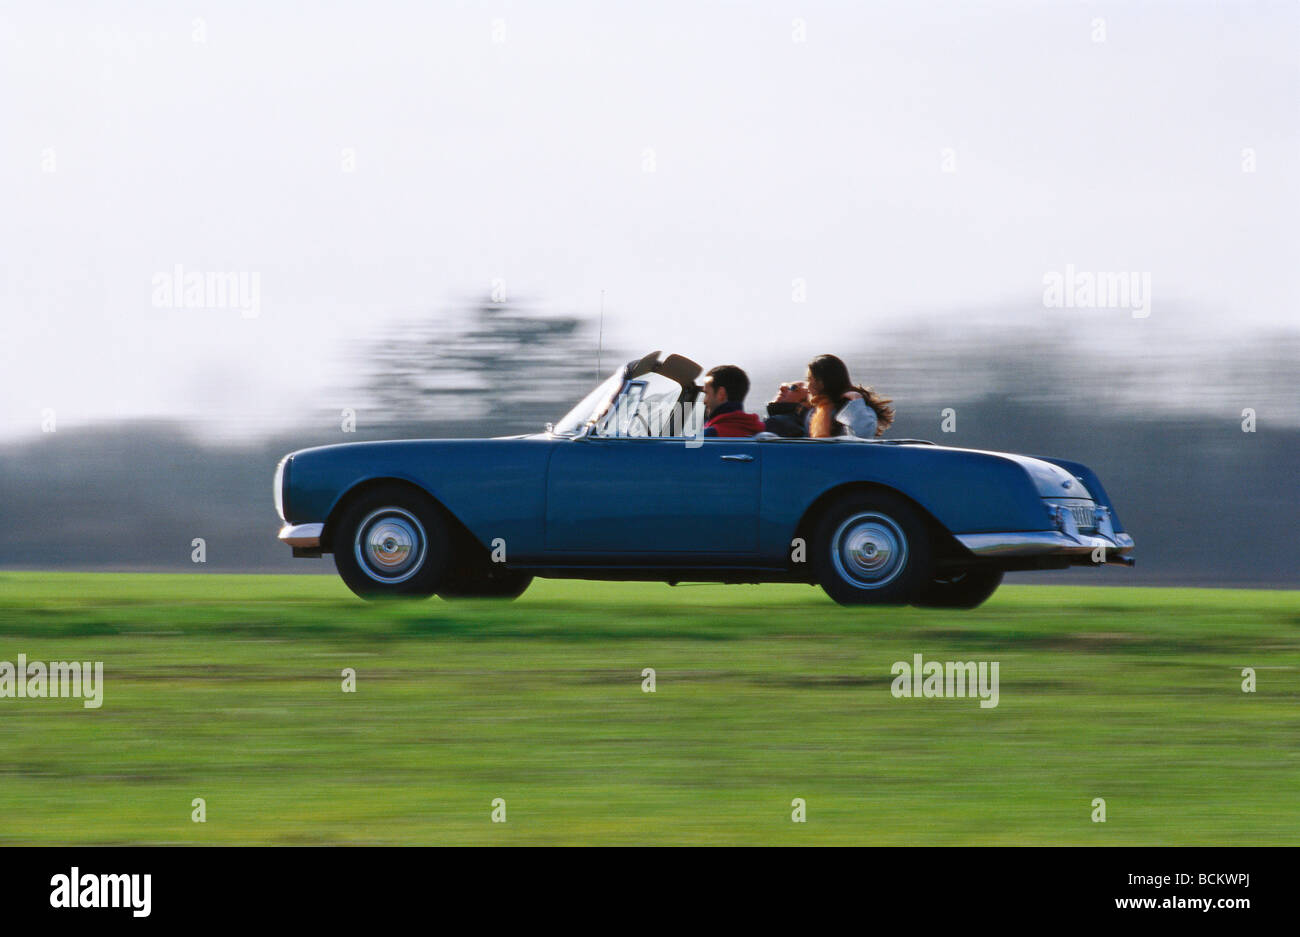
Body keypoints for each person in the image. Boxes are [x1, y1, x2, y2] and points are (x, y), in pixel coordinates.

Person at [772, 355, 894, 438]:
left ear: (823, 382)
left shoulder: (850, 407)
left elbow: (863, 433)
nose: (807, 386)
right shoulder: (815, 411)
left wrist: (856, 402)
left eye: (810, 380)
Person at [700, 365, 766, 437]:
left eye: (706, 393)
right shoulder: (763, 431)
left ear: (721, 394)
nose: (704, 401)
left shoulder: (708, 435)